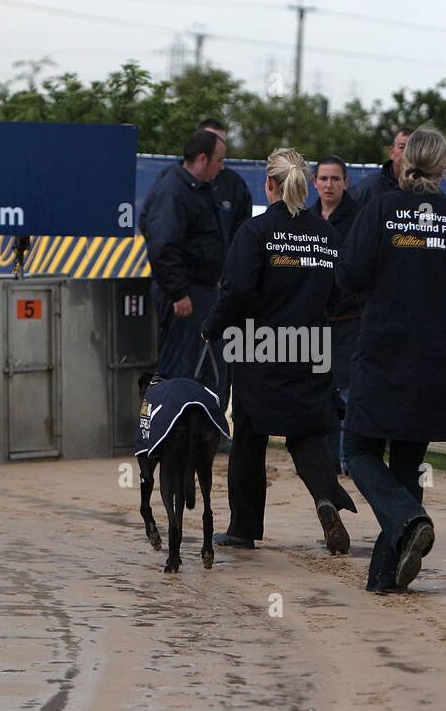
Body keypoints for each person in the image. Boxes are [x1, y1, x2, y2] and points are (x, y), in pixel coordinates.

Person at [339, 125, 446, 593]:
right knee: (407, 460)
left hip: (385, 354)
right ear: (443, 168)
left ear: (403, 161)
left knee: (356, 450)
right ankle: (386, 578)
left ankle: (409, 516)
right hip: (440, 360)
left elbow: (349, 273)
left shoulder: (380, 210)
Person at [202, 148, 357, 553]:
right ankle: (326, 498)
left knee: (250, 437)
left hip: (258, 346)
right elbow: (340, 293)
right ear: (306, 186)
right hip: (311, 347)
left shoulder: (255, 232)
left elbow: (236, 291)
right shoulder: (325, 233)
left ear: (268, 184)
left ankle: (243, 527)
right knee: (306, 432)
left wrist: (213, 327)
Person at [140, 129, 227, 394]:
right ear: (202, 158)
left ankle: (199, 430)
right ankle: (174, 429)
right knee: (180, 369)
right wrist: (179, 292)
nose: (222, 167)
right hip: (184, 295)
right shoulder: (174, 190)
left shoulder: (197, 189)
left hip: (200, 291)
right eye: (219, 160)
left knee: (201, 369)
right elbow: (162, 244)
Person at [310, 155, 361, 473]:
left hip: (350, 319)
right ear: (314, 182)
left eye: (335, 179)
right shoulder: (304, 217)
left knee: (350, 392)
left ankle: (351, 459)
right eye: (323, 179)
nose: (329, 185)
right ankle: (326, 460)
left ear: (346, 182)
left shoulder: (359, 217)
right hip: (314, 320)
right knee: (320, 393)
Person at [198, 119, 256, 252]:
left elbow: (242, 231)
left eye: (221, 141)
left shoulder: (235, 184)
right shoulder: (177, 181)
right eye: (211, 140)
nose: (216, 145)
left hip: (223, 267)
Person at [351, 127, 411, 205]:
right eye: (402, 147)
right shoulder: (369, 188)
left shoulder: (426, 189)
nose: (407, 153)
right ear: (391, 153)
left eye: (412, 148)